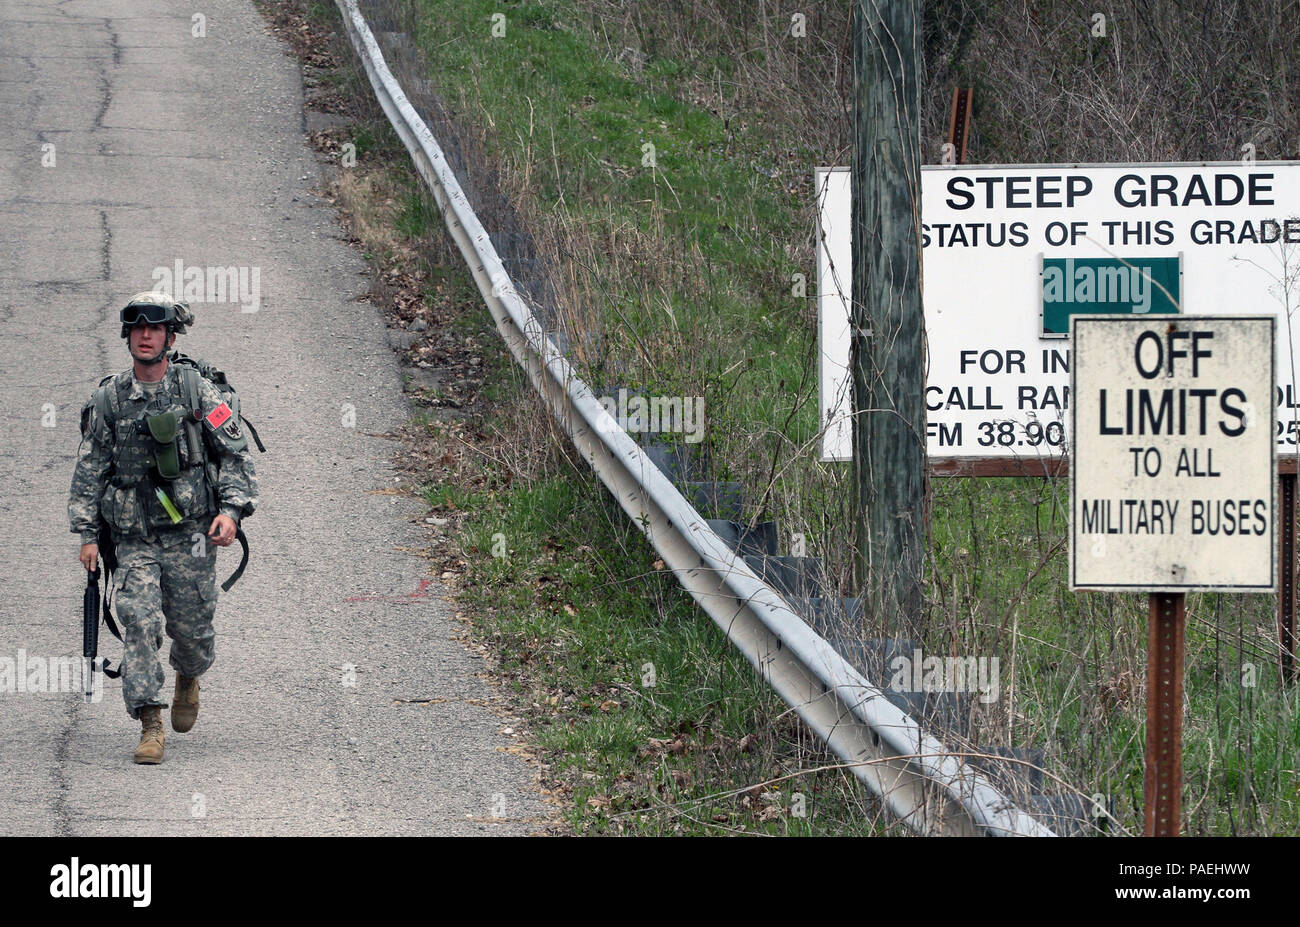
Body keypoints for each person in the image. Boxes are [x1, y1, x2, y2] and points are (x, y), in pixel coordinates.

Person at [68, 292, 258, 764]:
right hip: (134, 538)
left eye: (155, 329)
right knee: (140, 621)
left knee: (192, 633)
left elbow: (234, 454)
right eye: (138, 329)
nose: (146, 336)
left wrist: (230, 512)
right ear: (128, 336)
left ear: (170, 338)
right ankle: (150, 722)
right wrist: (88, 535)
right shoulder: (110, 398)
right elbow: (90, 468)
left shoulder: (197, 392)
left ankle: (188, 675)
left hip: (191, 533)